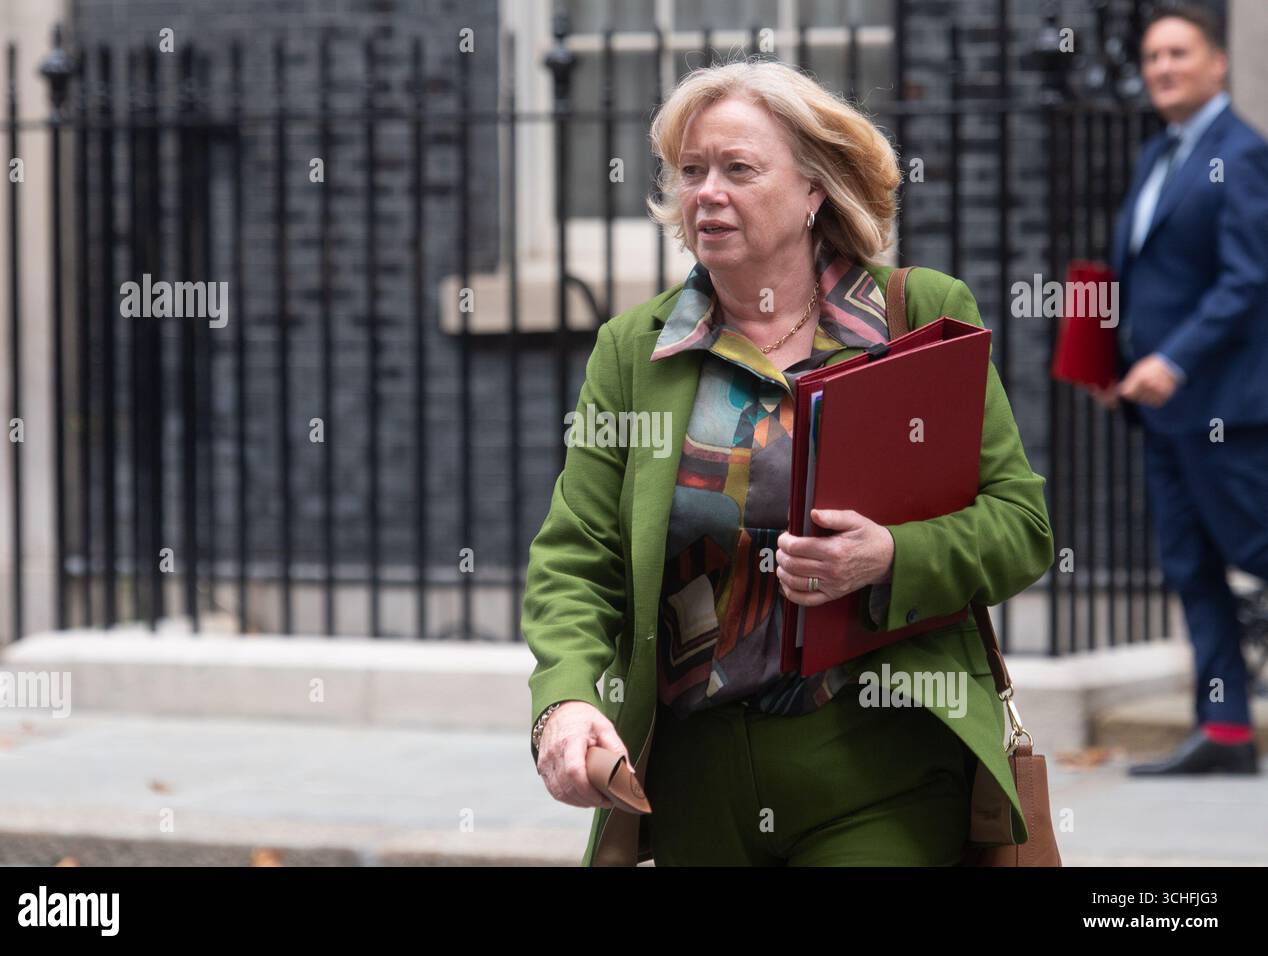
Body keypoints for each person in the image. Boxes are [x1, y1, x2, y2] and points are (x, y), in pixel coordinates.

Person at [522, 58, 1054, 866]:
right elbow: (578, 554)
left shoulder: (918, 317)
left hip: (880, 764)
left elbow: (1021, 527)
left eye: (739, 169)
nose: (706, 192)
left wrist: (890, 557)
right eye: (691, 170)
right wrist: (561, 697)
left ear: (814, 192)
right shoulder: (635, 351)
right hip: (693, 779)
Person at [1092, 6, 1268, 776]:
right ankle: (1225, 732)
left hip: (1226, 404)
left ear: (1217, 63)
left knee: (1257, 550)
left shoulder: (1241, 153)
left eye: (1178, 53)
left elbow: (1248, 278)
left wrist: (1175, 361)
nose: (1161, 67)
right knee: (1190, 565)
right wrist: (1117, 365)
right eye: (1152, 56)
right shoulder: (1158, 154)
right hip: (1160, 410)